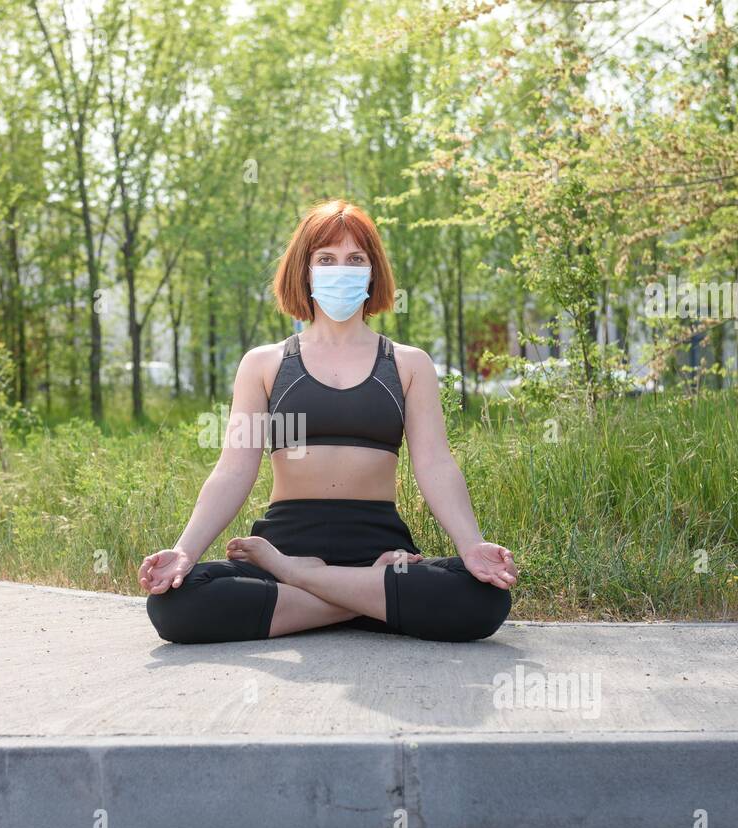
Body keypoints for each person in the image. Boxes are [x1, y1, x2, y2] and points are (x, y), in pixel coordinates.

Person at [138, 198, 517, 644]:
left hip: (381, 553)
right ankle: (365, 601)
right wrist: (185, 552)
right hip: (288, 542)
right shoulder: (264, 364)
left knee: (484, 599)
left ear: (373, 271)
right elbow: (234, 469)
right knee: (175, 606)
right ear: (306, 271)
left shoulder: (409, 364)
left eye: (356, 258)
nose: (343, 269)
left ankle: (306, 584)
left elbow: (435, 465)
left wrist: (471, 546)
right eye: (327, 259)